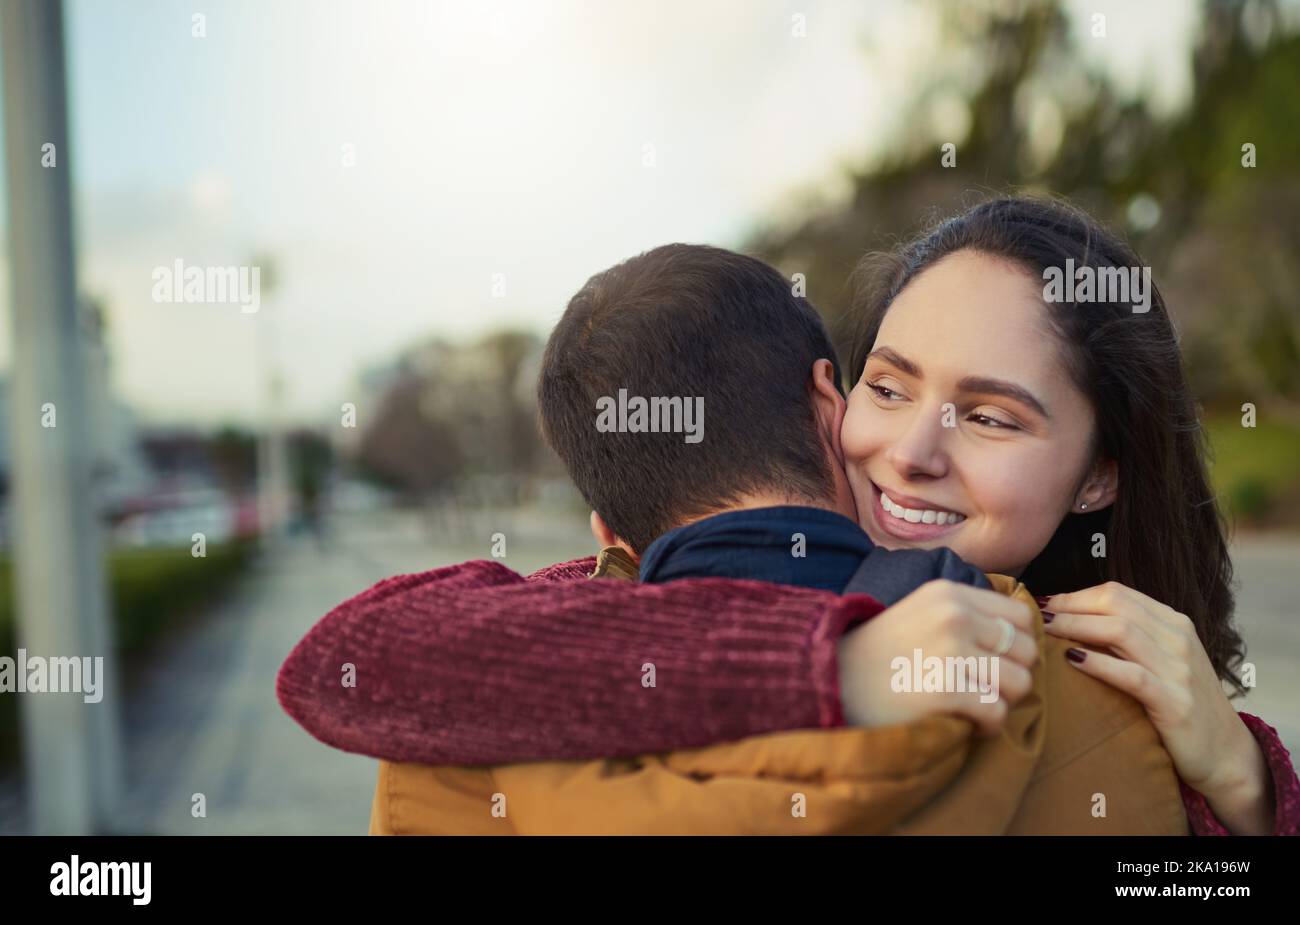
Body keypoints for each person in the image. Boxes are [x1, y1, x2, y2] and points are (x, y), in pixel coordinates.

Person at [279, 197, 1298, 835]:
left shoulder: (1139, 711)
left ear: (1096, 478)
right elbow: (354, 657)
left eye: (989, 415)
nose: (910, 452)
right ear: (829, 400)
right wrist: (831, 661)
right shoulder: (585, 618)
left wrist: (1247, 793)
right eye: (889, 387)